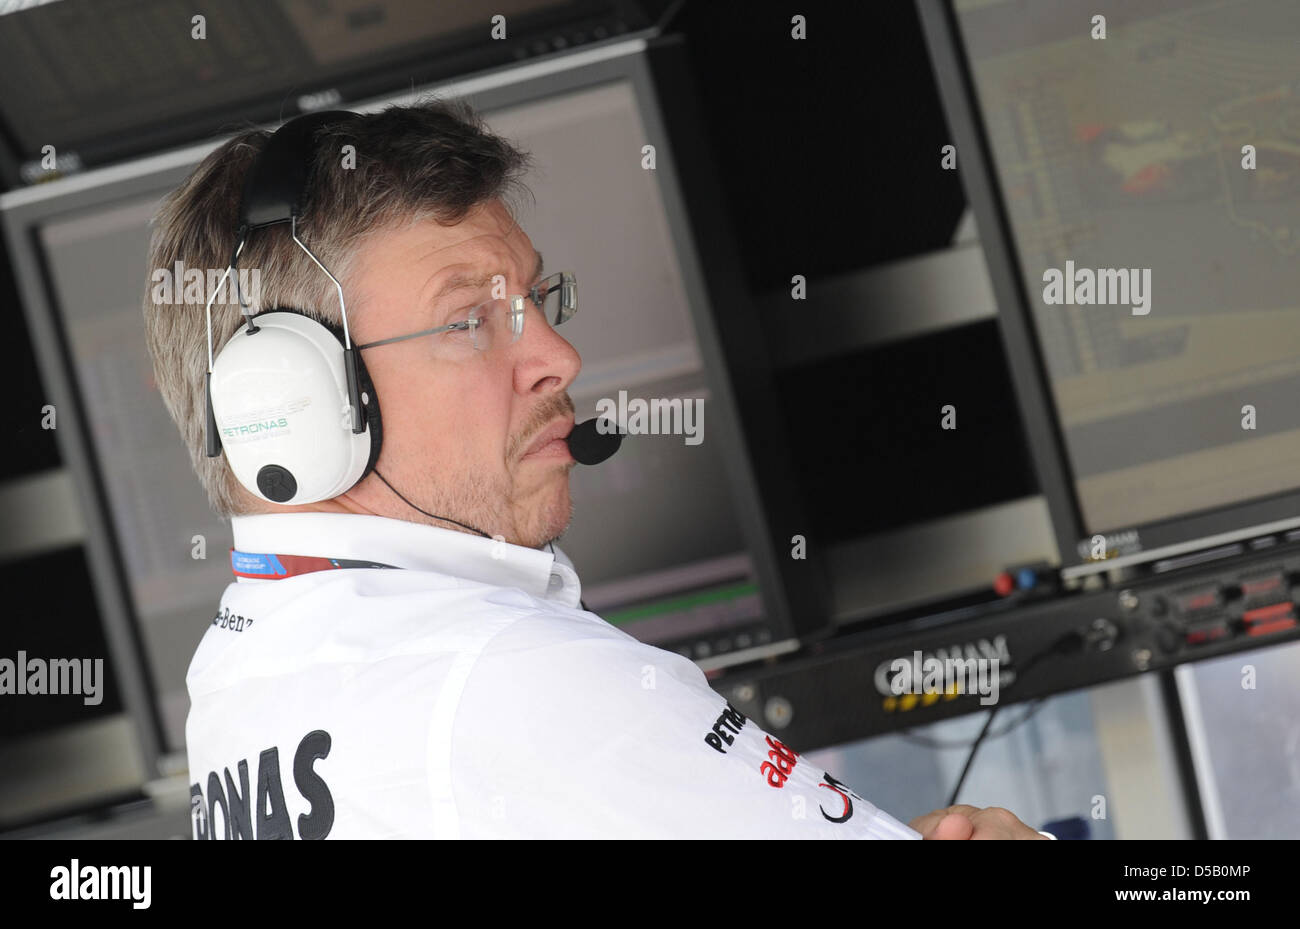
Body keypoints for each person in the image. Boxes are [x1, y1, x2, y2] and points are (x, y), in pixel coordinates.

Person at [143, 98, 1047, 840]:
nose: (559, 358)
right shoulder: (506, 675)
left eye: (534, 300)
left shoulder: (240, 685)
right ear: (290, 402)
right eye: (467, 321)